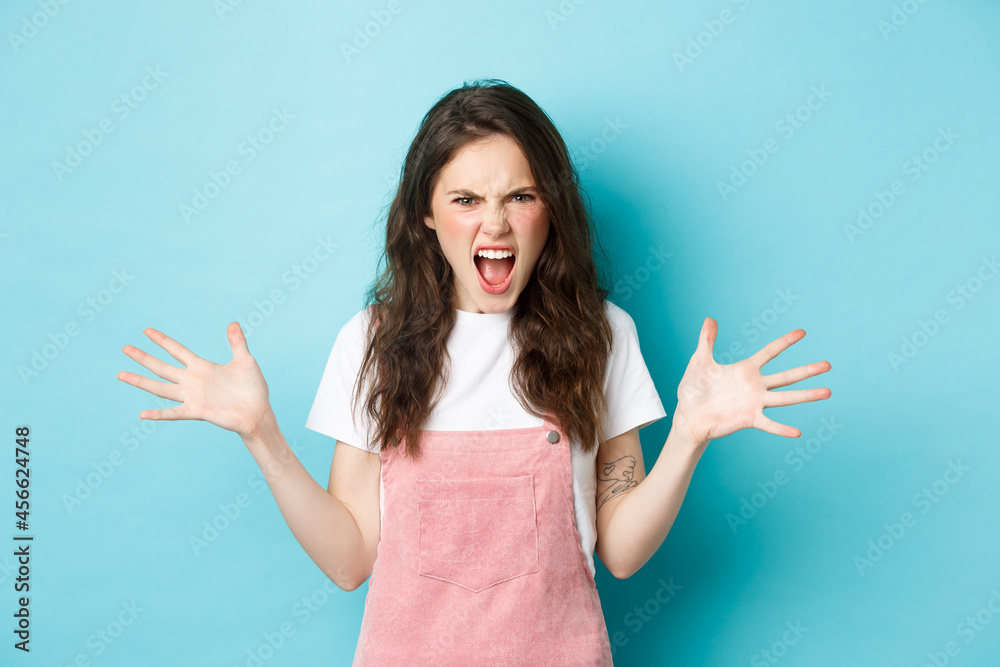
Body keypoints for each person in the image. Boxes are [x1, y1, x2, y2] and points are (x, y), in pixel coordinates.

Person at [117, 79, 831, 666]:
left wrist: (689, 438)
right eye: (465, 200)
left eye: (520, 196)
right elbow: (349, 559)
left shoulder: (603, 336)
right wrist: (260, 434)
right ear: (426, 214)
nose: (495, 224)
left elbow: (619, 551)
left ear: (551, 210)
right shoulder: (372, 342)